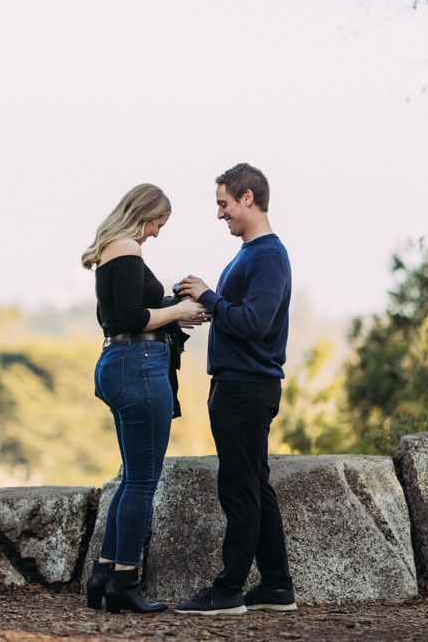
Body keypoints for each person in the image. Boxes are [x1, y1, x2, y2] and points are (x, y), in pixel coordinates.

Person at [174, 163, 296, 615]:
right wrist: (207, 305)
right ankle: (277, 586)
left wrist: (209, 296)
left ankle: (227, 591)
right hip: (241, 385)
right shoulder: (253, 254)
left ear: (248, 198)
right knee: (256, 485)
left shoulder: (266, 255)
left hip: (246, 389)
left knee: (238, 489)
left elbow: (255, 323)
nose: (220, 214)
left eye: (224, 204)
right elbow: (239, 315)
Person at [80, 183, 209, 614]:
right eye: (157, 222)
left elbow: (124, 313)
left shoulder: (109, 252)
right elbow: (133, 317)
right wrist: (178, 312)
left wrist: (181, 306)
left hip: (118, 361)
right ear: (143, 214)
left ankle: (103, 573)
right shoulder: (127, 251)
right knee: (141, 482)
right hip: (139, 365)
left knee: (132, 475)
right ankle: (125, 582)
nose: (156, 232)